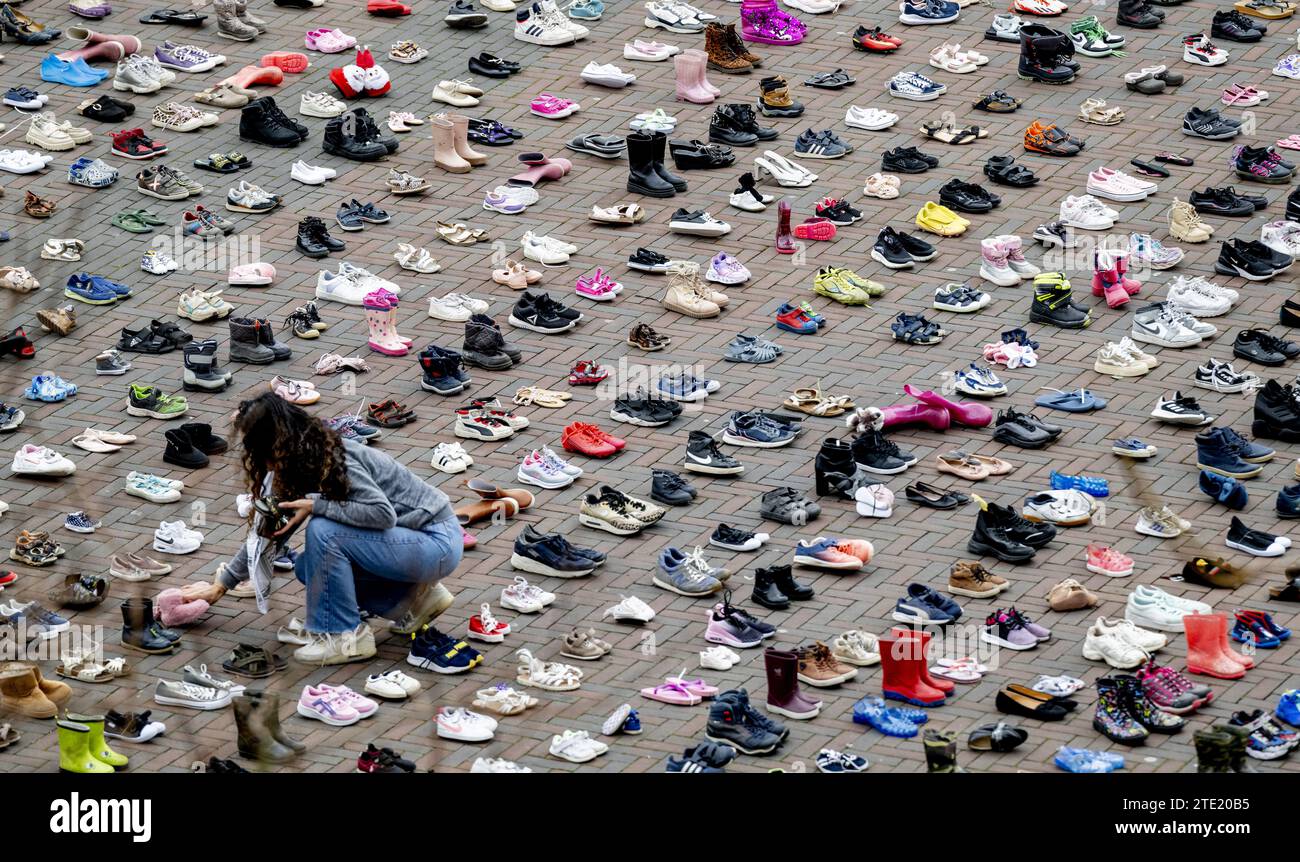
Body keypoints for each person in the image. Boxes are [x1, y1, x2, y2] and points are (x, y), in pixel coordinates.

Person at [181, 393, 462, 664]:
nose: (256, 457)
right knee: (309, 567)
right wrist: (222, 585)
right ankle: (413, 600)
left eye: (256, 446)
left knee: (325, 531)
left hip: (436, 542)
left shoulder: (337, 458)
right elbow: (269, 534)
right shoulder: (296, 463)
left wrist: (317, 505)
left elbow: (381, 514)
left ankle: (343, 636)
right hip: (413, 545)